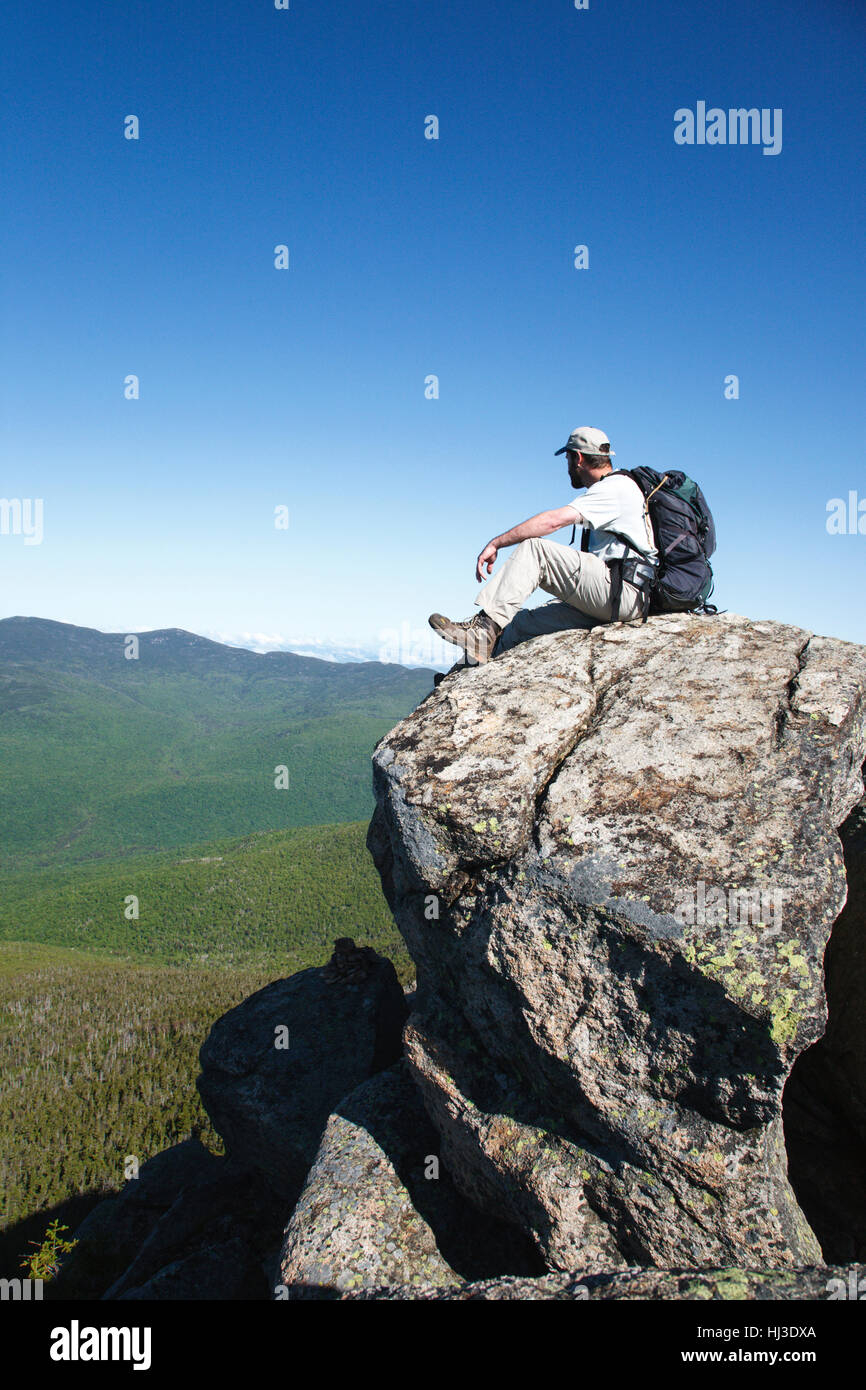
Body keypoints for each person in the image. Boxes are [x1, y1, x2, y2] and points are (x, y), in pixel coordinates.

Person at [429, 426, 658, 666]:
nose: (567, 466)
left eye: (568, 458)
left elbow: (552, 521)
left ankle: (482, 629)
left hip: (623, 593)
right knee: (519, 624)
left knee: (536, 550)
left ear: (577, 458)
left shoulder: (614, 488)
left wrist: (496, 543)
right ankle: (462, 675)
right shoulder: (616, 489)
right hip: (618, 596)